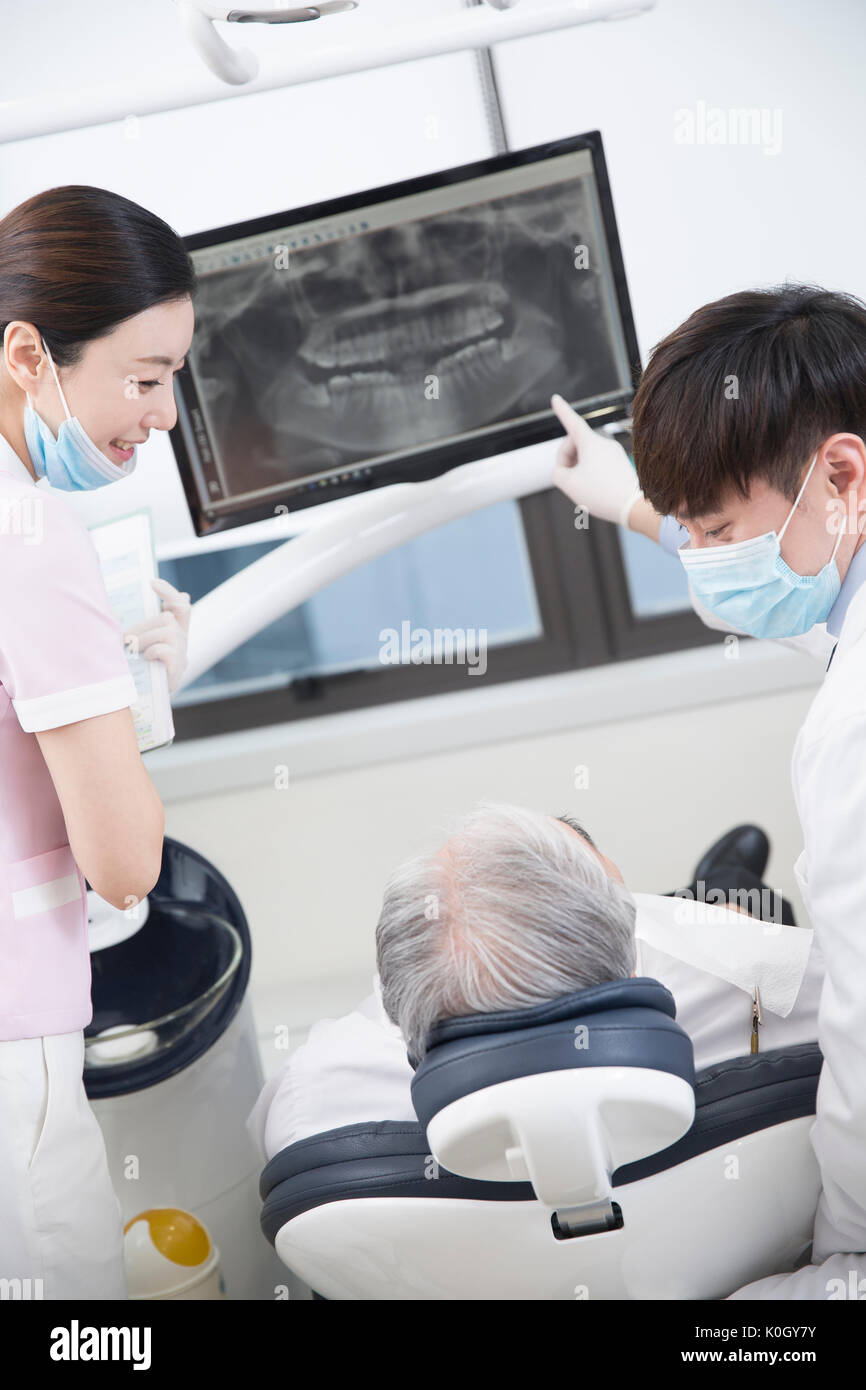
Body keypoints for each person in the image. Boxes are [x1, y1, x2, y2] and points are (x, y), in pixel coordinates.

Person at [551, 283, 866, 1299]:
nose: (701, 558)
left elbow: (862, 1035)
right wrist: (631, 503)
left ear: (838, 473)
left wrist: (839, 1240)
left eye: (715, 524)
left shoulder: (849, 734)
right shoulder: (837, 538)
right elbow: (804, 593)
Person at [247, 801, 822, 1236]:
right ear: (630, 968)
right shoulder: (773, 989)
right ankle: (723, 892)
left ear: (400, 1006)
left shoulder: (312, 1100)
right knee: (726, 909)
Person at [0, 185, 195, 1299]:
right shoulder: (33, 530)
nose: (163, 415)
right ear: (30, 352)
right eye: (146, 377)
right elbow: (126, 862)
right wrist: (115, 690)